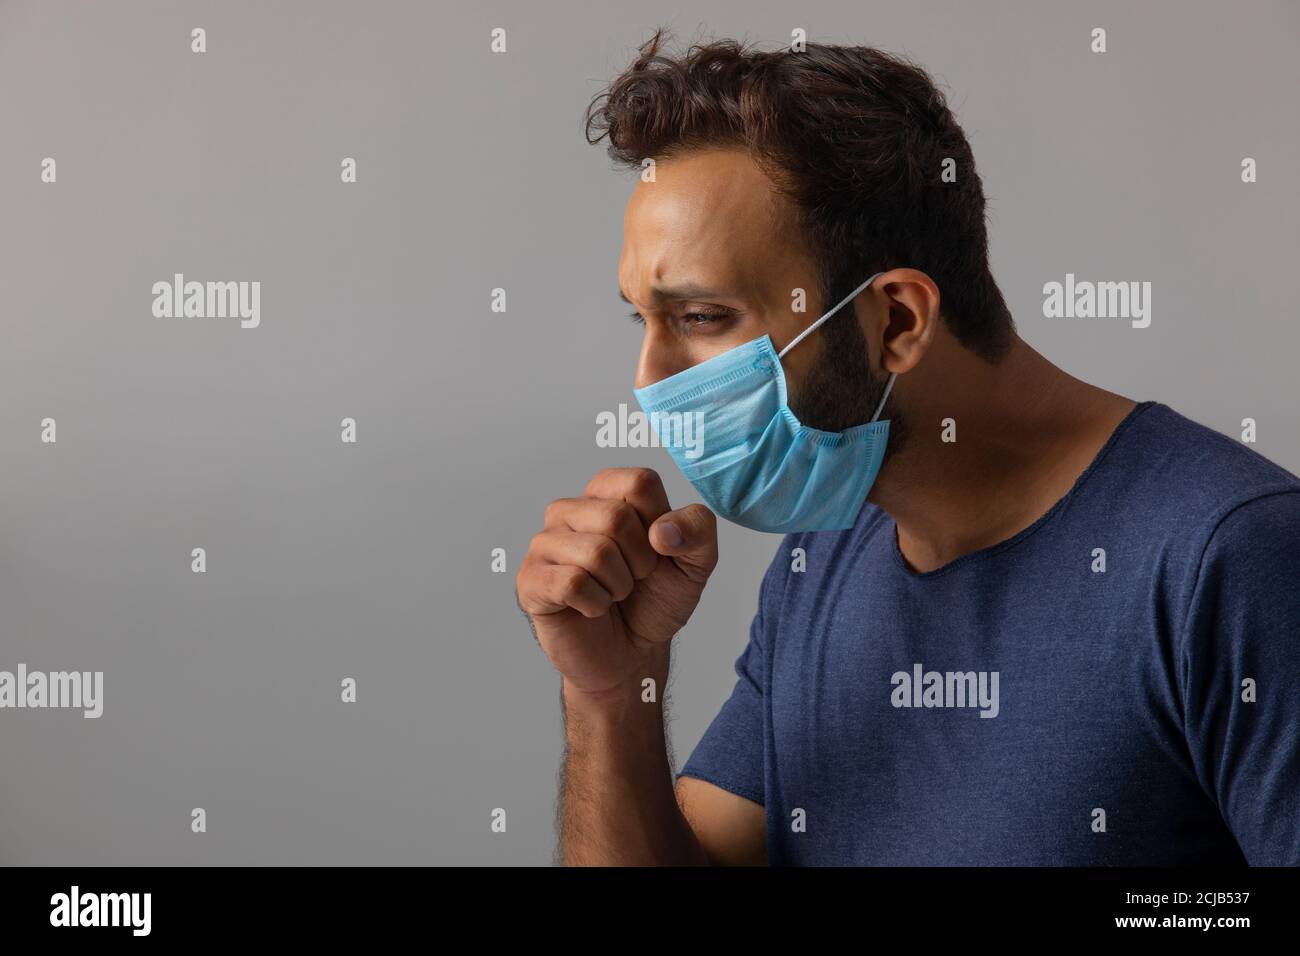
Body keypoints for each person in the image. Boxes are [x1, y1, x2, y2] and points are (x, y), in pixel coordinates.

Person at [515, 30, 1300, 865]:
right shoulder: (828, 550)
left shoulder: (1233, 555)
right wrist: (609, 697)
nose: (651, 379)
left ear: (896, 321)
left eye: (703, 318)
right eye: (644, 319)